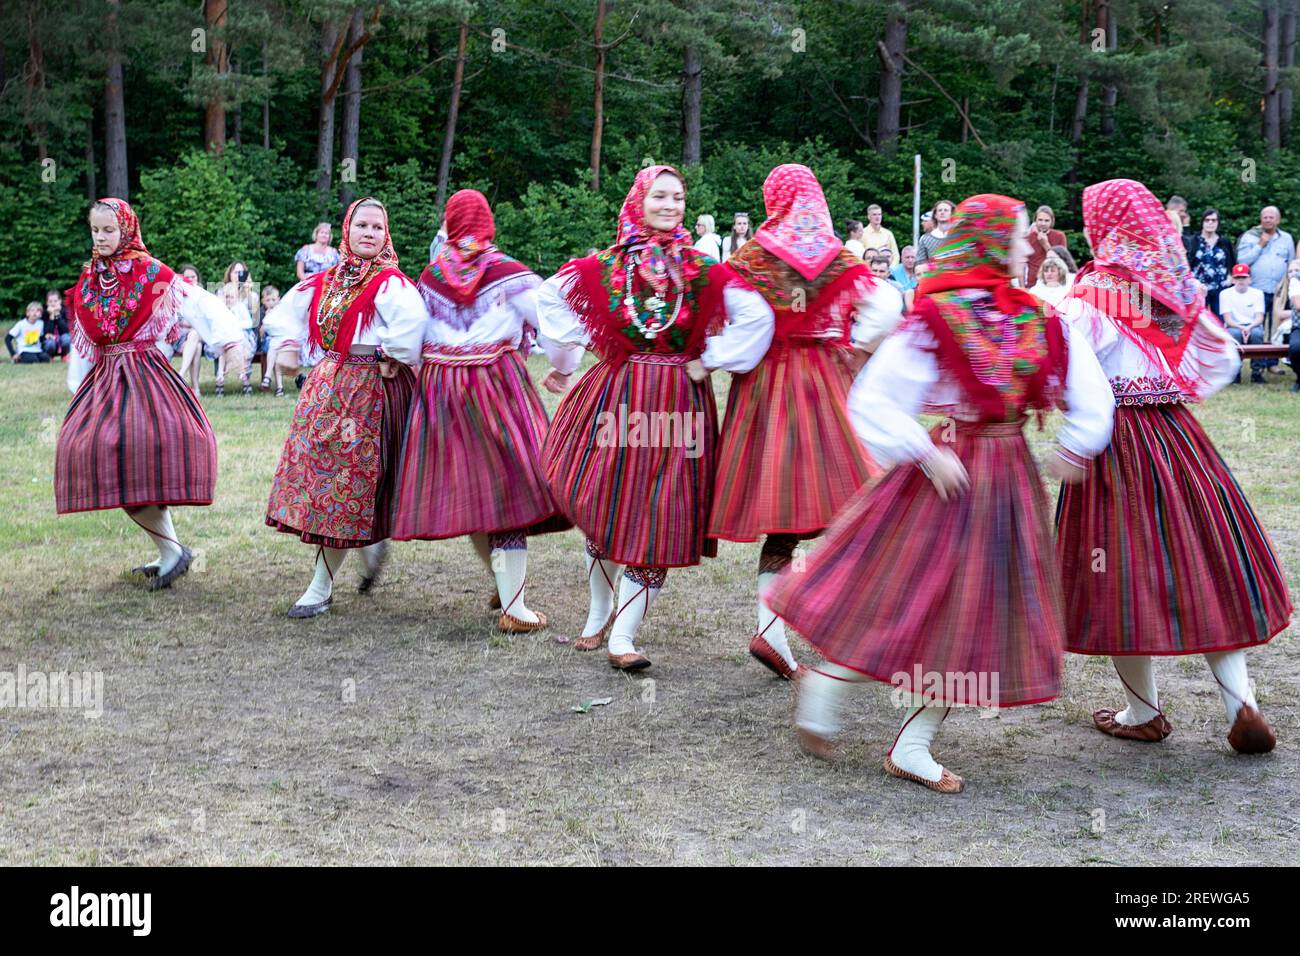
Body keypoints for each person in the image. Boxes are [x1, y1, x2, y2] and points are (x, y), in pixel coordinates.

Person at [766, 194, 1115, 793]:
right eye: (1014, 232)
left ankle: (909, 739)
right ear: (989, 241)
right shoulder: (938, 316)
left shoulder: (1038, 314)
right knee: (911, 594)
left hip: (1005, 476)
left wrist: (1078, 445)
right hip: (946, 474)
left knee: (975, 608)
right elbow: (874, 400)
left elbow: (1092, 389)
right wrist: (926, 454)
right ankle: (835, 692)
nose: (1026, 240)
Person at [1056, 179, 1290, 754]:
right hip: (1177, 436)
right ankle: (1243, 704)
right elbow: (1223, 359)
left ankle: (1144, 712)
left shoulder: (1085, 297)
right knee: (1205, 562)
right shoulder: (1173, 288)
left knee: (1119, 577)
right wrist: (1172, 386)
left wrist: (1070, 438)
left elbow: (1074, 381)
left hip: (1115, 444)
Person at [536, 164, 775, 671]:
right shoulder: (607, 265)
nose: (670, 205)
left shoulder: (701, 267)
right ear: (640, 199)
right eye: (660, 196)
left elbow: (758, 316)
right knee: (605, 503)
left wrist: (710, 359)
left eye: (679, 197)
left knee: (659, 515)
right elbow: (550, 297)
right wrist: (572, 357)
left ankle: (624, 636)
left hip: (678, 399)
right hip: (618, 394)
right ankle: (599, 613)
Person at [709, 164, 900, 680]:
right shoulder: (838, 256)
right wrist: (858, 348)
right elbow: (886, 304)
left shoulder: (749, 257)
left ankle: (774, 631)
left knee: (784, 516)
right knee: (853, 503)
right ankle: (838, 622)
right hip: (825, 383)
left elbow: (745, 333)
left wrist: (719, 358)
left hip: (766, 391)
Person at [392, 189, 568, 632]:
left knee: (473, 490)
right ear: (488, 223)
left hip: (442, 390)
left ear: (449, 225)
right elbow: (556, 324)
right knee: (508, 491)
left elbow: (412, 337)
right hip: (496, 383)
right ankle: (514, 607)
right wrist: (562, 369)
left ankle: (502, 581)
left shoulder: (430, 277)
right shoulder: (509, 273)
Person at [55, 198, 242, 589]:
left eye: (110, 230)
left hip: (146, 375)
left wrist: (229, 343)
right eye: (96, 230)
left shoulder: (150, 271)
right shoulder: (90, 277)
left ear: (126, 228)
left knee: (136, 458)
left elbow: (196, 301)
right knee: (98, 457)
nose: (102, 237)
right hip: (105, 380)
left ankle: (172, 551)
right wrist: (78, 386)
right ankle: (171, 549)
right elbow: (83, 335)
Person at [264, 197, 425, 618]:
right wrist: (284, 346)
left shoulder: (391, 283)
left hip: (372, 388)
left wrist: (392, 354)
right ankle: (369, 542)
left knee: (348, 481)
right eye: (361, 226)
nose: (369, 233)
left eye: (376, 227)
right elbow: (287, 314)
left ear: (385, 233)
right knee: (325, 480)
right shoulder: (326, 280)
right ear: (346, 231)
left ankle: (320, 586)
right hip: (328, 384)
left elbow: (411, 328)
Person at [1236, 205, 1294, 379]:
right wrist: (1260, 244)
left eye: (1271, 217)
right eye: (1265, 217)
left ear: (1278, 219)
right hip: (1256, 291)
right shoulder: (1249, 236)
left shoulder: (1286, 238)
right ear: (1261, 219)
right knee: (1259, 329)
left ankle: (1272, 364)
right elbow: (1242, 261)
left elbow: (1291, 263)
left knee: (1275, 327)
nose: (1268, 220)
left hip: (1279, 291)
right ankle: (1258, 366)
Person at [1219, 263, 1266, 380]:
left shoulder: (1258, 293)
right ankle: (1235, 372)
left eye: (1244, 277)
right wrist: (1241, 328)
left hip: (1253, 325)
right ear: (1233, 279)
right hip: (1233, 326)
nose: (1241, 280)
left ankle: (1257, 372)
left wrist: (1249, 328)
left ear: (1249, 279)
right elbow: (1228, 319)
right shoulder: (1225, 294)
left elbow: (1259, 317)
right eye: (1237, 277)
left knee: (1257, 335)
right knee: (1234, 335)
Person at [1185, 208, 1234, 317]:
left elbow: (1232, 261)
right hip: (1198, 288)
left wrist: (1230, 277)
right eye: (1207, 220)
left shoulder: (1224, 241)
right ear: (1202, 222)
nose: (1210, 223)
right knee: (1199, 320)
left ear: (1218, 223)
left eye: (1214, 220)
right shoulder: (1193, 241)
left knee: (1220, 320)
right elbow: (1186, 262)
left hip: (1220, 288)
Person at [1022, 205, 1067, 287]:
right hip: (1031, 284)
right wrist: (1022, 286)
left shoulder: (1059, 236)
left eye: (1047, 221)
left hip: (1053, 284)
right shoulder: (1028, 237)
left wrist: (1045, 244)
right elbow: (1022, 264)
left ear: (1052, 221)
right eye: (1040, 220)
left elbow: (1062, 263)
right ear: (1035, 220)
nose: (1043, 223)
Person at [915, 199, 954, 264]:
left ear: (952, 214)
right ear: (935, 215)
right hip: (933, 273)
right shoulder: (925, 239)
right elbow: (920, 262)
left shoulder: (959, 235)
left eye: (946, 210)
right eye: (940, 210)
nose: (942, 212)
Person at [42, 289, 70, 359]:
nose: (53, 303)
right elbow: (47, 332)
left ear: (60, 301)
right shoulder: (44, 314)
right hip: (50, 339)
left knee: (66, 339)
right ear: (47, 303)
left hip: (62, 338)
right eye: (50, 301)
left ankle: (64, 355)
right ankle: (50, 356)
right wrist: (51, 316)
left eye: (55, 301)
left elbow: (66, 330)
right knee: (50, 343)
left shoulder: (65, 311)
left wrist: (57, 315)